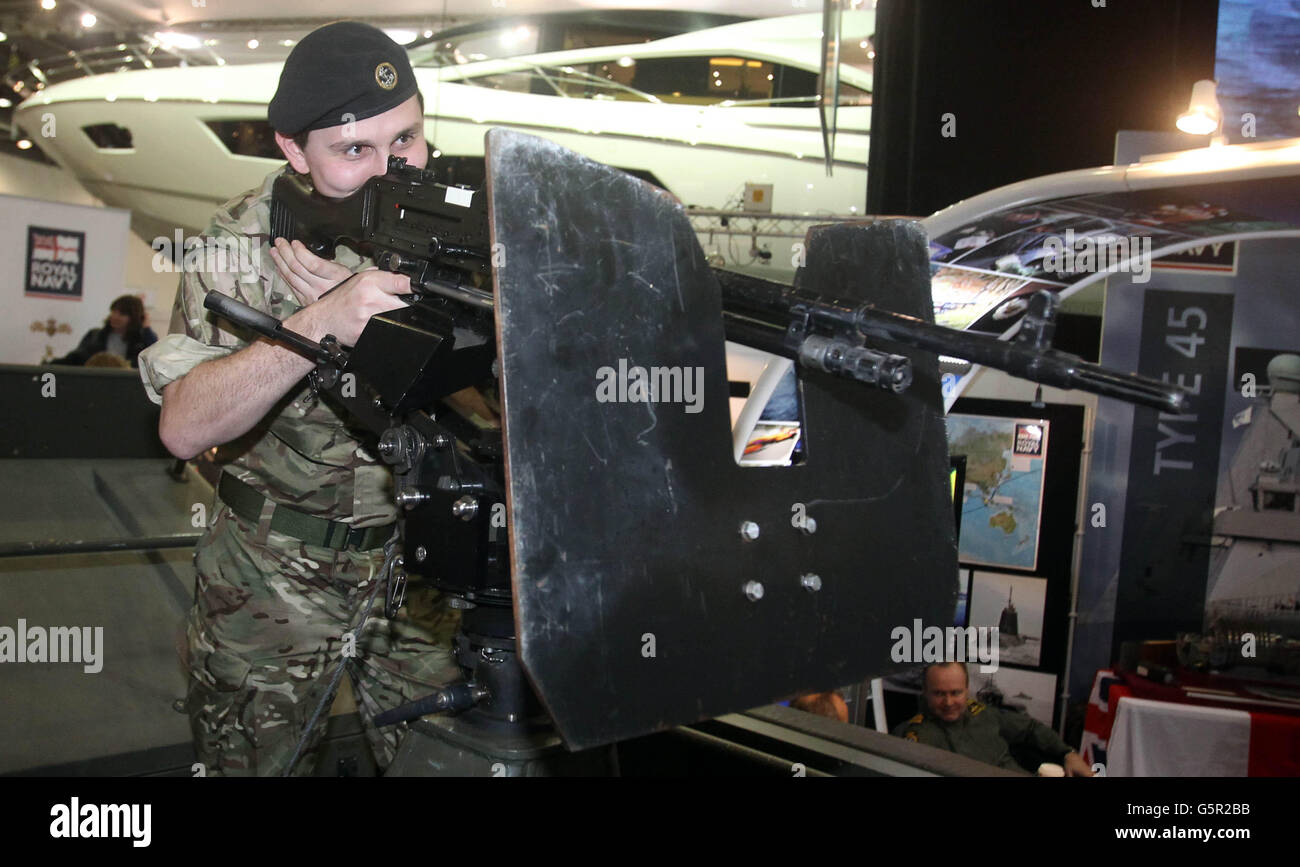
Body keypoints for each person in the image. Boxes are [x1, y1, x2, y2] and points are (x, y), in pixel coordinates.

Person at [138, 21, 460, 776]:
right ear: (291, 149)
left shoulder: (455, 232)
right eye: (355, 151)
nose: (391, 170)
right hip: (269, 578)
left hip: (416, 572)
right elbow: (183, 426)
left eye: (407, 140)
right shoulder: (235, 247)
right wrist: (317, 324)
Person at [893, 661, 1094, 776]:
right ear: (925, 693)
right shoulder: (917, 737)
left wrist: (1068, 753)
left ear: (967, 691)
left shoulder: (981, 712)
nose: (948, 702)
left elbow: (1030, 728)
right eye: (939, 694)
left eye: (956, 693)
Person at [53, 294, 157, 367]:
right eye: (114, 311)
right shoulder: (95, 336)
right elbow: (75, 358)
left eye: (122, 314)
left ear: (134, 318)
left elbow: (155, 357)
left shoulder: (141, 341)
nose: (115, 316)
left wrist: (146, 328)